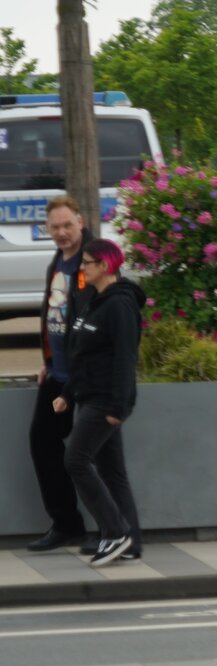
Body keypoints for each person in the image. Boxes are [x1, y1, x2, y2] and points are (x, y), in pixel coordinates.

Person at [55, 239, 146, 567]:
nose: (82, 269)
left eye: (88, 263)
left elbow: (125, 359)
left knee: (76, 461)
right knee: (112, 470)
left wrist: (119, 408)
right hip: (88, 395)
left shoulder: (120, 305)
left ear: (105, 266)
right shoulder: (94, 300)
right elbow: (84, 355)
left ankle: (116, 531)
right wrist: (67, 394)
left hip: (106, 401)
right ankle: (130, 541)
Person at [24, 197, 91, 553]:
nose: (62, 233)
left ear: (80, 221)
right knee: (43, 443)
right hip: (58, 373)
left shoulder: (94, 258)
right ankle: (67, 524)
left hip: (86, 377)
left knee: (96, 457)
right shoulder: (58, 261)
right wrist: (48, 360)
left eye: (67, 225)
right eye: (55, 228)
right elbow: (55, 313)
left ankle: (115, 529)